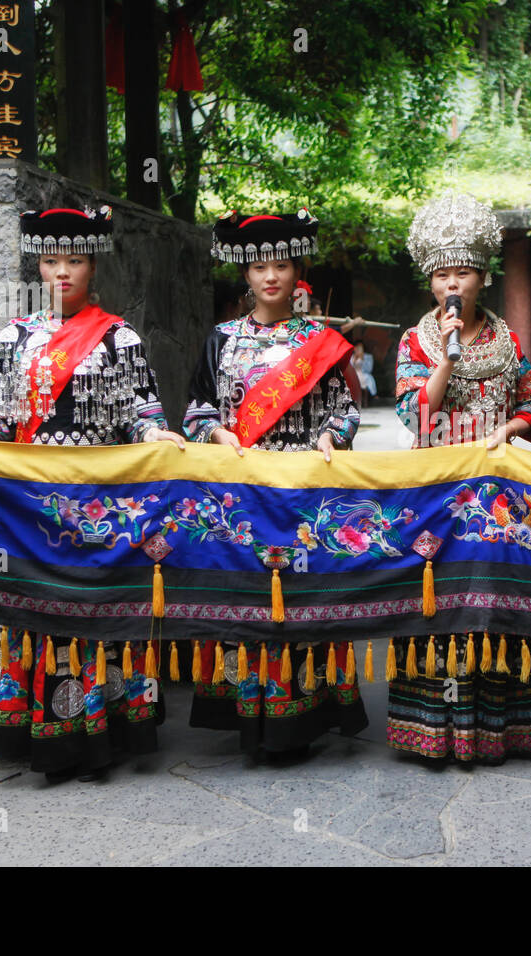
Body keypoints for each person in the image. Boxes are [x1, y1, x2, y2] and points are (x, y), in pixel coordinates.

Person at [0, 206, 186, 781]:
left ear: (93, 266)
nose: (62, 272)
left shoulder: (120, 337)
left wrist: (156, 433)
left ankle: (105, 729)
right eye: (50, 260)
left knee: (99, 610)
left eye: (74, 260)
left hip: (99, 501)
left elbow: (140, 412)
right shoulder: (14, 338)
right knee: (36, 614)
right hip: (30, 502)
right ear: (37, 267)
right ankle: (45, 737)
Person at [184, 208, 367, 760]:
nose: (271, 277)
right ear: (244, 273)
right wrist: (217, 433)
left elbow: (346, 409)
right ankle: (248, 716)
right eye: (259, 266)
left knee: (303, 597)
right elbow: (196, 410)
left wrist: (334, 437)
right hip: (241, 487)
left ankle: (303, 715)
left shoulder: (321, 340)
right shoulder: (220, 339)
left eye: (282, 265)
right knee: (248, 602)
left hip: (303, 490)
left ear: (295, 272)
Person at [388, 192, 531, 765]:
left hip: (498, 492)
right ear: (430, 282)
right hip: (436, 487)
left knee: (494, 601)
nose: (452, 284)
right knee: (439, 601)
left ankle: (500, 729)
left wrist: (508, 429)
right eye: (442, 275)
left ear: (482, 277)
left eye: (463, 273)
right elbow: (416, 415)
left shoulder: (508, 342)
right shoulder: (415, 341)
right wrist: (448, 357)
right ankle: (433, 731)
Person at [351, 341, 377, 407]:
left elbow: (369, 369)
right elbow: (350, 368)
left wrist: (362, 359)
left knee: (366, 379)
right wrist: (354, 359)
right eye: (357, 347)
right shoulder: (351, 356)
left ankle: (366, 400)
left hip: (363, 373)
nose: (358, 349)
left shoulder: (368, 356)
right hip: (354, 374)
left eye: (360, 347)